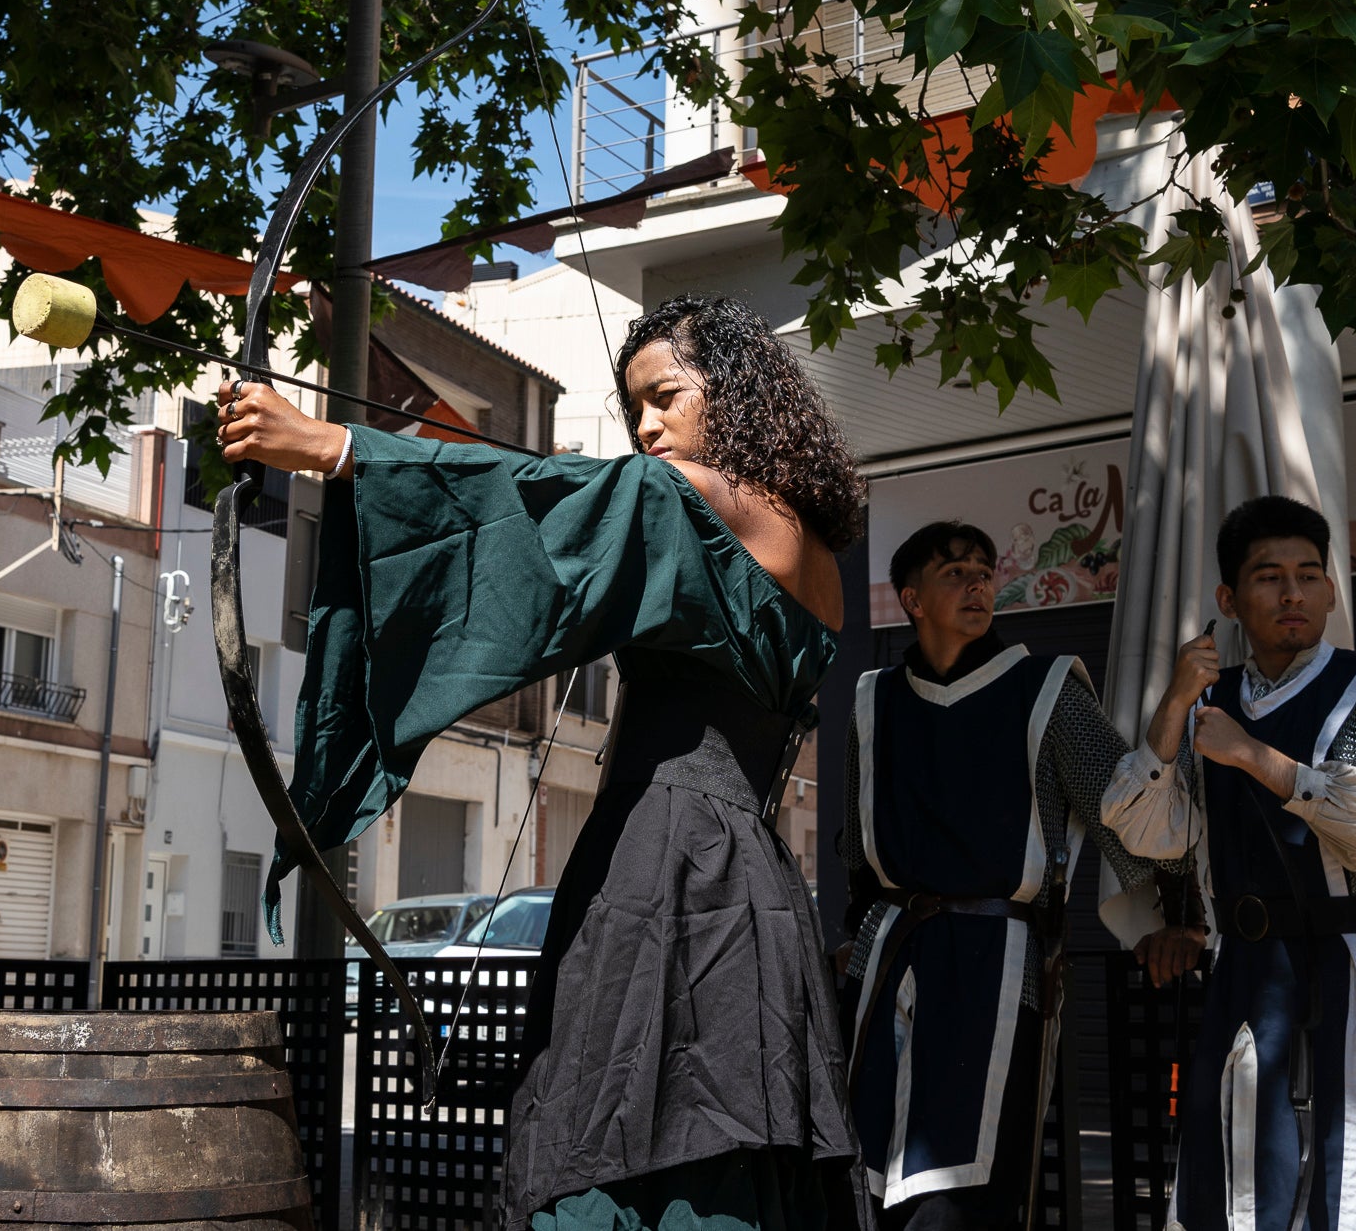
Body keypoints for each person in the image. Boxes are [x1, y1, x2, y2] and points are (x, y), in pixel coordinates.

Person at [216, 295, 874, 1231]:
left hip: (666, 871)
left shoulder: (687, 495)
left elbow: (532, 500)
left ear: (732, 391)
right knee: (719, 1156)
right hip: (748, 885)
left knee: (619, 1158)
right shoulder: (810, 547)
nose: (646, 425)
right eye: (632, 404)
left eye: (666, 396)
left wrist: (332, 447)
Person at [838, 522, 1199, 1231]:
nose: (978, 584)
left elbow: (1125, 814)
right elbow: (856, 847)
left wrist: (1172, 912)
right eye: (954, 572)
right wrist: (851, 942)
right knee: (863, 1173)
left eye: (984, 570)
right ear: (911, 598)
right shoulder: (871, 699)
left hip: (997, 965)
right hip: (888, 957)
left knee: (968, 1194)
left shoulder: (1045, 689)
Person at [1101, 495, 1356, 1231]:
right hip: (1243, 974)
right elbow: (1144, 830)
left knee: (1354, 1193)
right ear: (1229, 598)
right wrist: (1175, 701)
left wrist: (1253, 757)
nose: (1293, 593)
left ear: (1333, 589)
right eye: (1270, 576)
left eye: (1310, 575)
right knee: (1238, 1184)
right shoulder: (1207, 701)